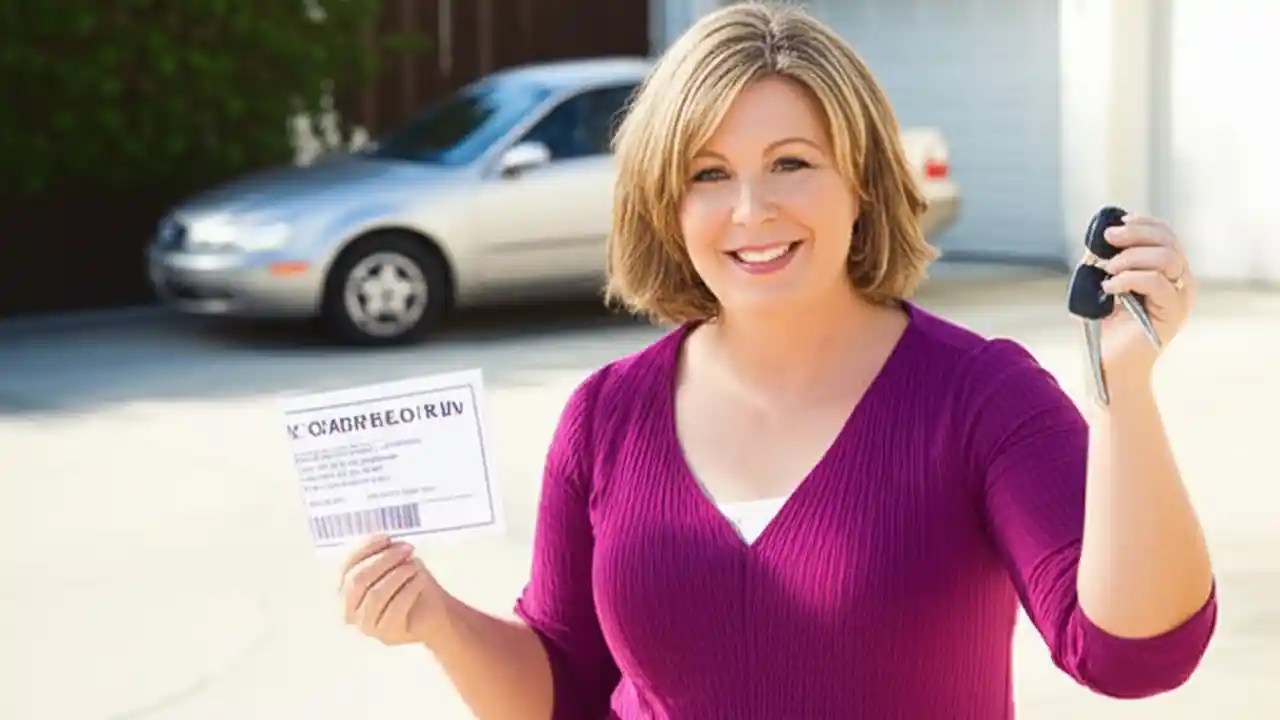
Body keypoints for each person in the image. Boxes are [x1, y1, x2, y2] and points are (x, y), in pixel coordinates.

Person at [336, 2, 1218, 717]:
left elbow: (1132, 655)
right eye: (709, 174)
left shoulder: (981, 397)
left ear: (862, 182)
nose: (750, 210)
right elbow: (567, 691)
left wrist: (1123, 390)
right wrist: (439, 622)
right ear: (665, 202)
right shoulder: (605, 417)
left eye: (790, 163)